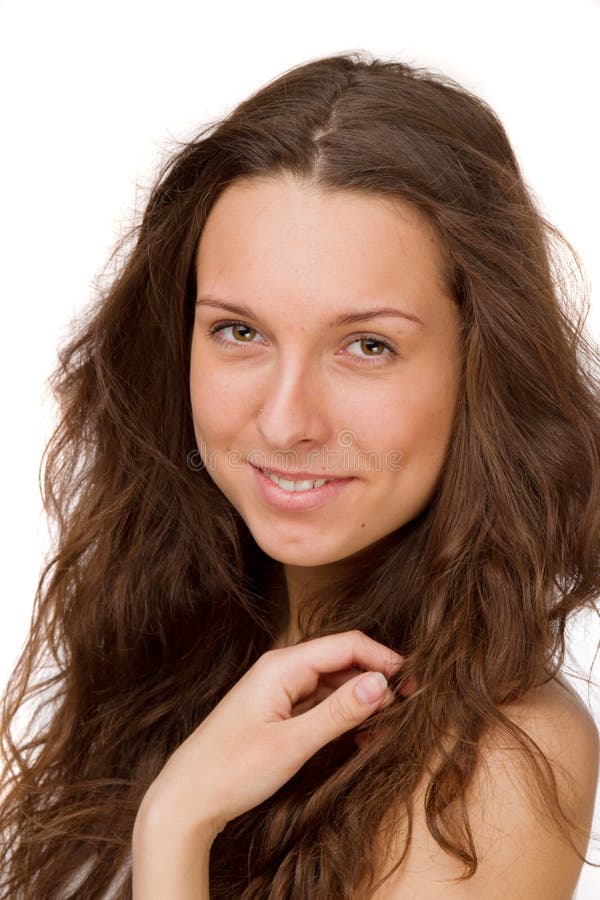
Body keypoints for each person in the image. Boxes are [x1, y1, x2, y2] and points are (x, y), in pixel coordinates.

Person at [0, 51, 599, 900]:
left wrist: (178, 824)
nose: (284, 420)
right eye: (239, 332)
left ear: (482, 370)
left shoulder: (495, 757)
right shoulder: (167, 635)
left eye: (368, 346)